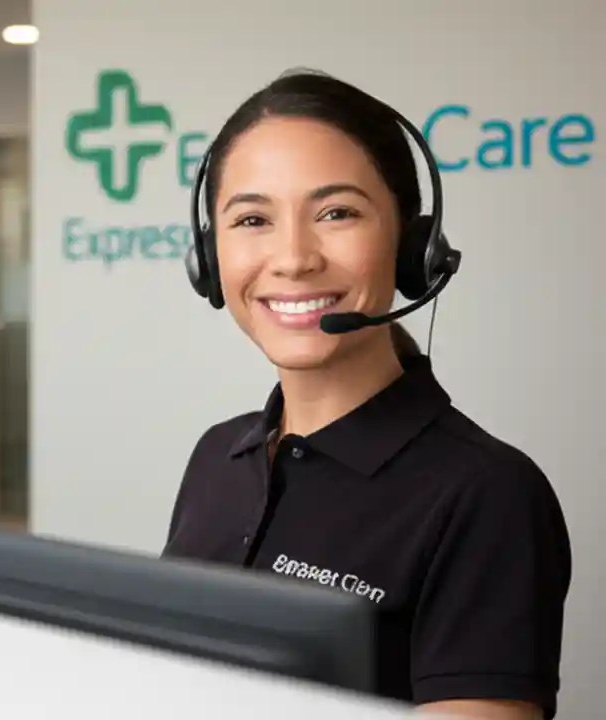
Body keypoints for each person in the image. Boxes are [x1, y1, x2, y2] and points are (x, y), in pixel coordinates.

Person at [163, 70, 571, 719]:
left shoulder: (487, 493)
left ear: (412, 247)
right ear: (209, 257)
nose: (293, 258)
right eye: (252, 218)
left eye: (336, 213)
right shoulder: (218, 455)